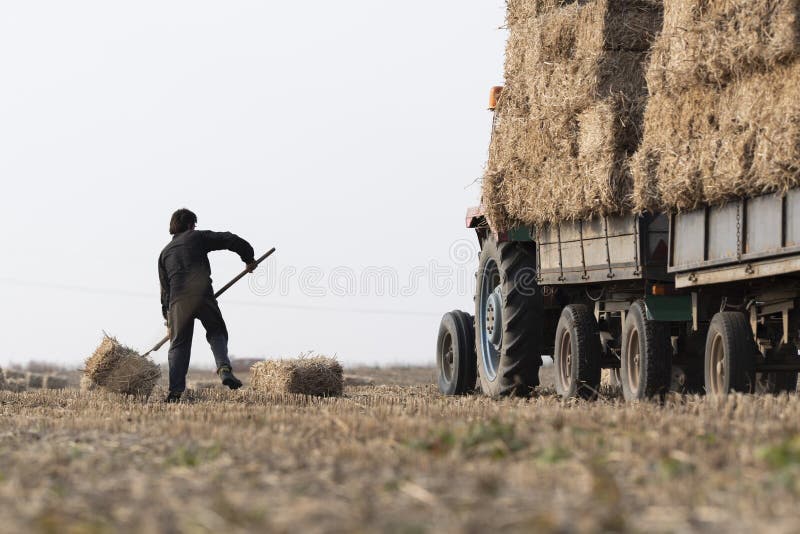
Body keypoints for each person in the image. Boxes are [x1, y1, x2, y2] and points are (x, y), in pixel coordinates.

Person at [158, 208, 258, 402]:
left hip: (177, 302)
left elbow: (164, 291)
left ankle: (175, 392)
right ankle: (224, 369)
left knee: (179, 345)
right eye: (194, 225)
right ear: (190, 225)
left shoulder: (164, 254)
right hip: (202, 294)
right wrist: (248, 258)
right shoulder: (197, 237)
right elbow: (229, 239)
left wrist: (168, 318)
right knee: (216, 331)